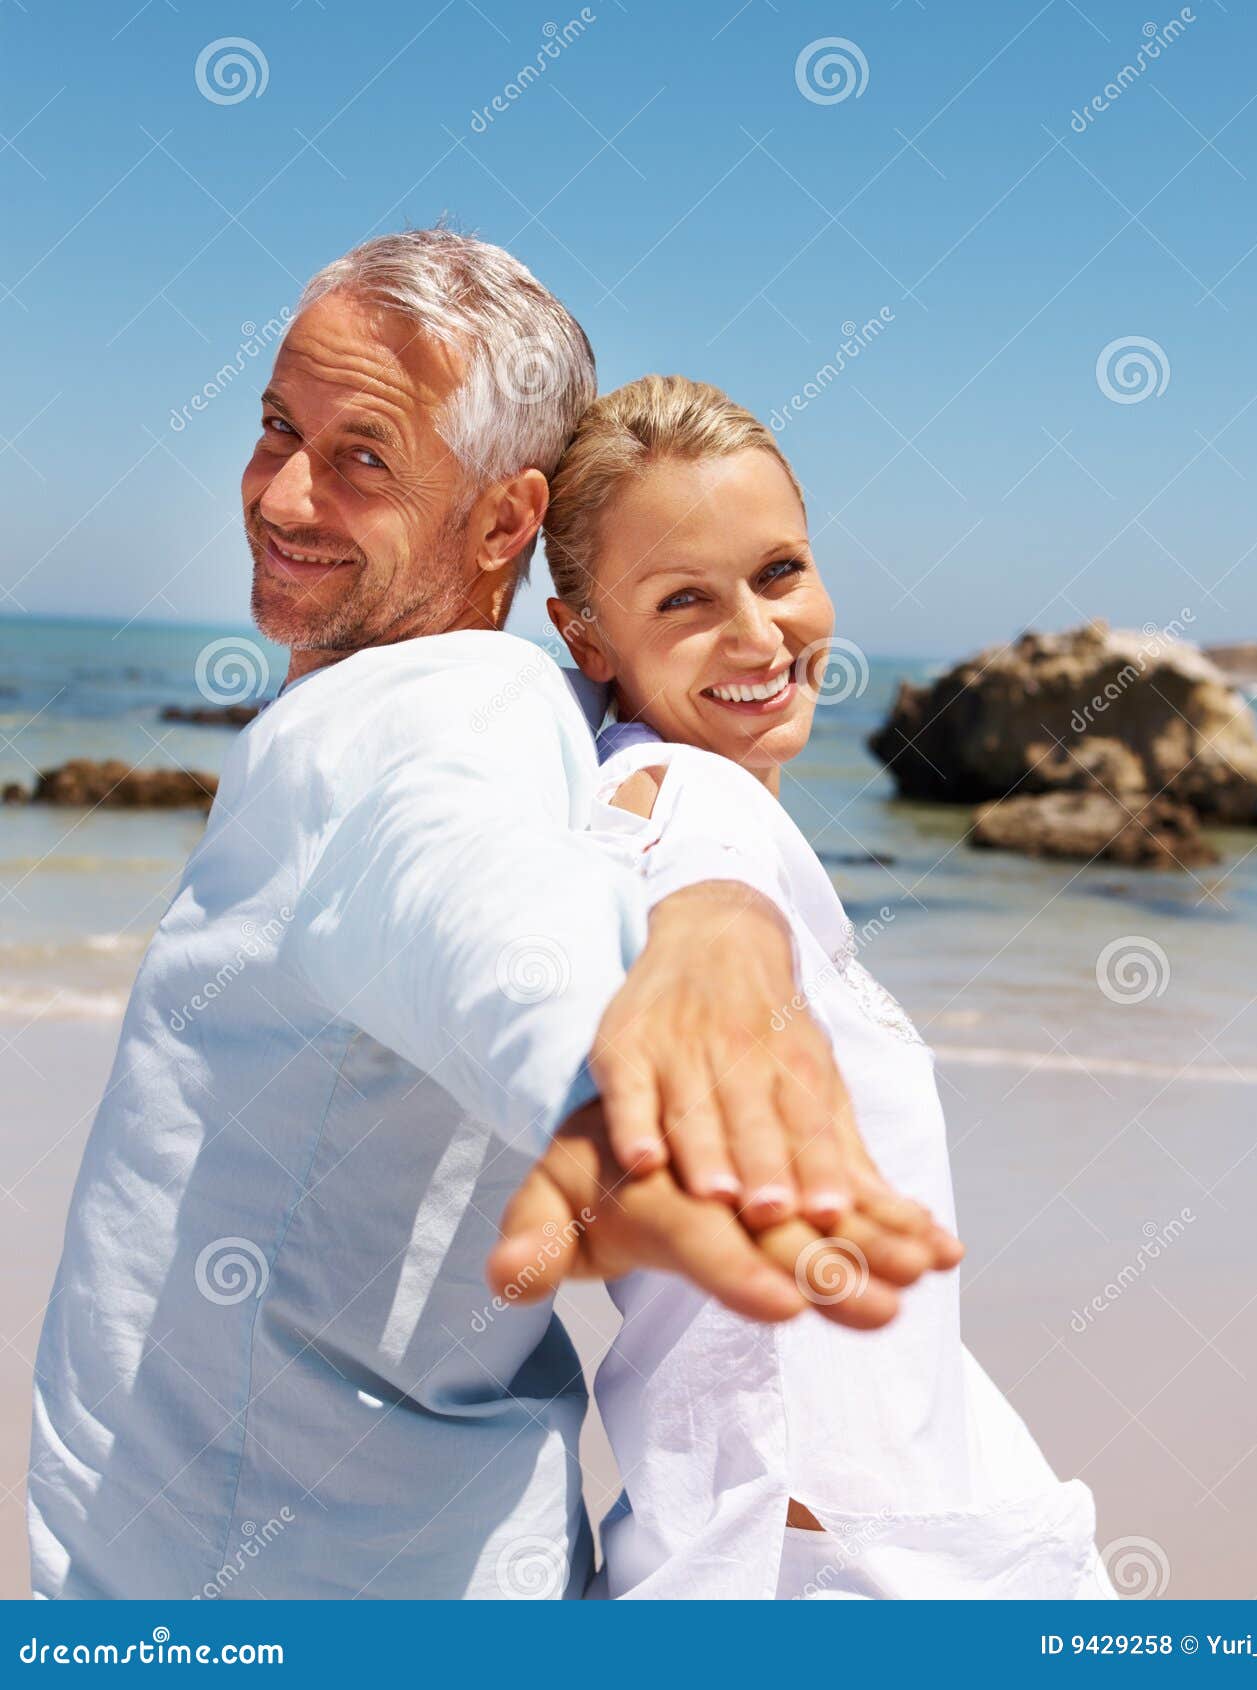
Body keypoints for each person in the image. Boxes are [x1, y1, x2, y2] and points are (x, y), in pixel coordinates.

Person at [28, 234, 959, 1601]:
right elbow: (625, 833)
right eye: (279, 427)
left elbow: (459, 885)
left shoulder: (430, 718)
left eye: (362, 458)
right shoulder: (537, 718)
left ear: (502, 522)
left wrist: (599, 1082)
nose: (281, 492)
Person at [543, 374, 1117, 1600]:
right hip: (822, 1576)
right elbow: (690, 866)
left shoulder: (709, 801)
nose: (759, 636)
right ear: (585, 636)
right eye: (684, 599)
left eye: (779, 572)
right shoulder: (679, 802)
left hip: (857, 1540)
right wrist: (710, 923)